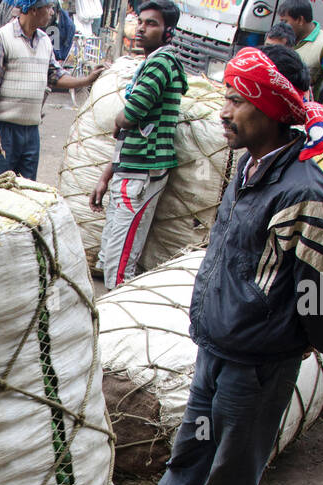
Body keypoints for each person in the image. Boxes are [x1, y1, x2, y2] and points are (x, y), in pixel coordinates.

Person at [125, 44, 323, 485]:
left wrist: (300, 346)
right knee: (192, 448)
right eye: (226, 96)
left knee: (231, 475)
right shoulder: (248, 167)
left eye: (238, 99)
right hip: (217, 346)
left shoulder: (306, 192)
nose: (225, 110)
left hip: (258, 364)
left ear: (274, 109)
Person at [89, 0, 185, 288]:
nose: (142, 28)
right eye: (140, 22)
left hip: (142, 175)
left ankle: (117, 321)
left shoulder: (161, 63)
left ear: (168, 30)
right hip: (130, 171)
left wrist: (119, 118)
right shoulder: (152, 61)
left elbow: (131, 116)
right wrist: (107, 174)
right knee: (110, 254)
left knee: (119, 263)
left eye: (151, 23)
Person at [0, 0, 103, 181]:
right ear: (33, 10)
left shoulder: (45, 41)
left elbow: (55, 76)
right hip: (5, 129)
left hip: (31, 131)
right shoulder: (1, 38)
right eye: (48, 8)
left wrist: (87, 79)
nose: (52, 13)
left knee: (28, 189)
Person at [278, 0, 323, 115]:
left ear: (300, 20)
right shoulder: (281, 37)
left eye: (285, 21)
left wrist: (320, 118)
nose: (281, 26)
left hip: (301, 113)